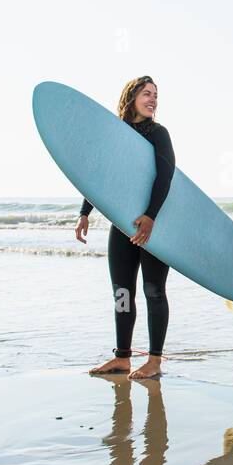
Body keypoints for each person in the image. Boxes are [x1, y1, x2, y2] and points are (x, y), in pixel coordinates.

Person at [75, 76, 175, 381]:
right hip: (121, 225)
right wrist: (84, 213)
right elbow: (99, 176)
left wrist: (151, 215)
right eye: (147, 93)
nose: (153, 99)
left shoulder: (159, 134)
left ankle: (155, 361)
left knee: (154, 291)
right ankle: (122, 358)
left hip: (155, 224)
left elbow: (165, 176)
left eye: (156, 95)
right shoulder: (116, 136)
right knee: (121, 292)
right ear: (131, 96)